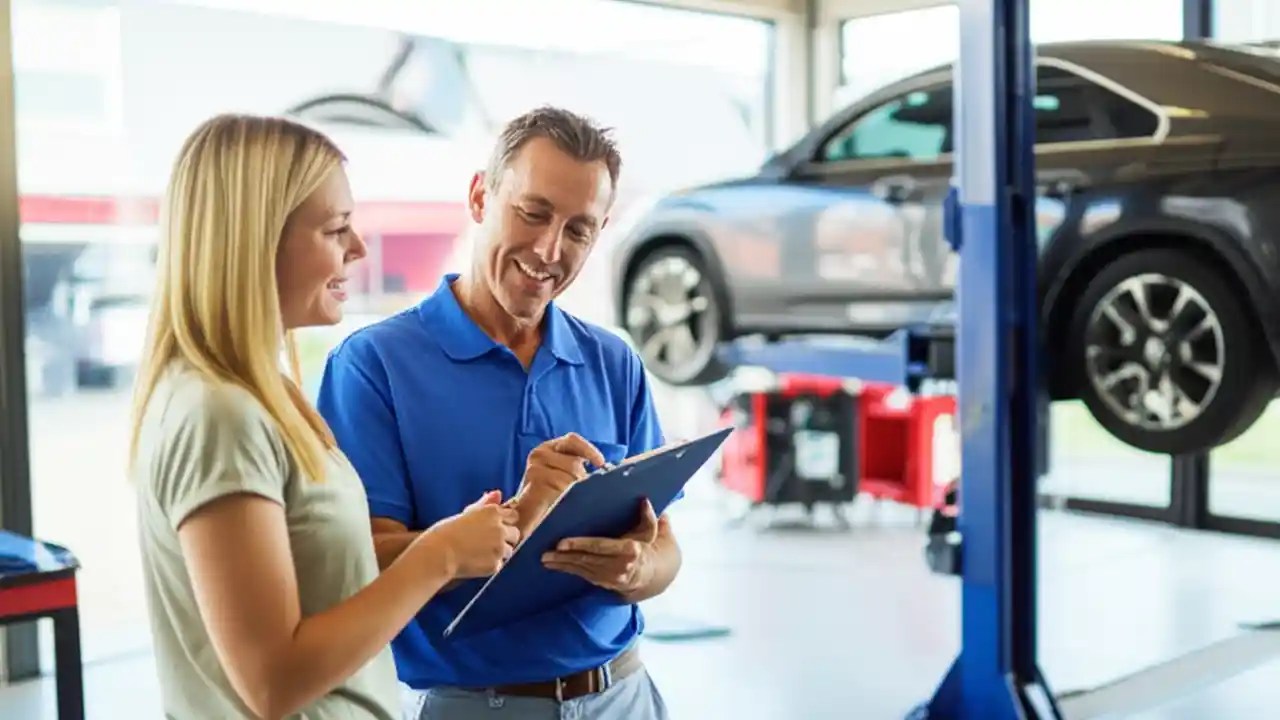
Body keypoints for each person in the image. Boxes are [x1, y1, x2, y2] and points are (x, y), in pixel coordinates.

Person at [127, 113, 523, 720]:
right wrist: (437, 556)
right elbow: (273, 681)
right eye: (337, 228)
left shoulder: (261, 395)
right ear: (255, 238)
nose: (359, 247)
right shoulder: (218, 415)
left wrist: (460, 542)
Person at [317, 105, 682, 719]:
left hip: (623, 695)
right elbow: (356, 561)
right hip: (473, 706)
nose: (548, 249)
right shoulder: (372, 365)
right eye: (533, 213)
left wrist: (639, 569)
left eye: (577, 230)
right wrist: (517, 516)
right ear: (481, 196)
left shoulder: (614, 362)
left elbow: (664, 541)